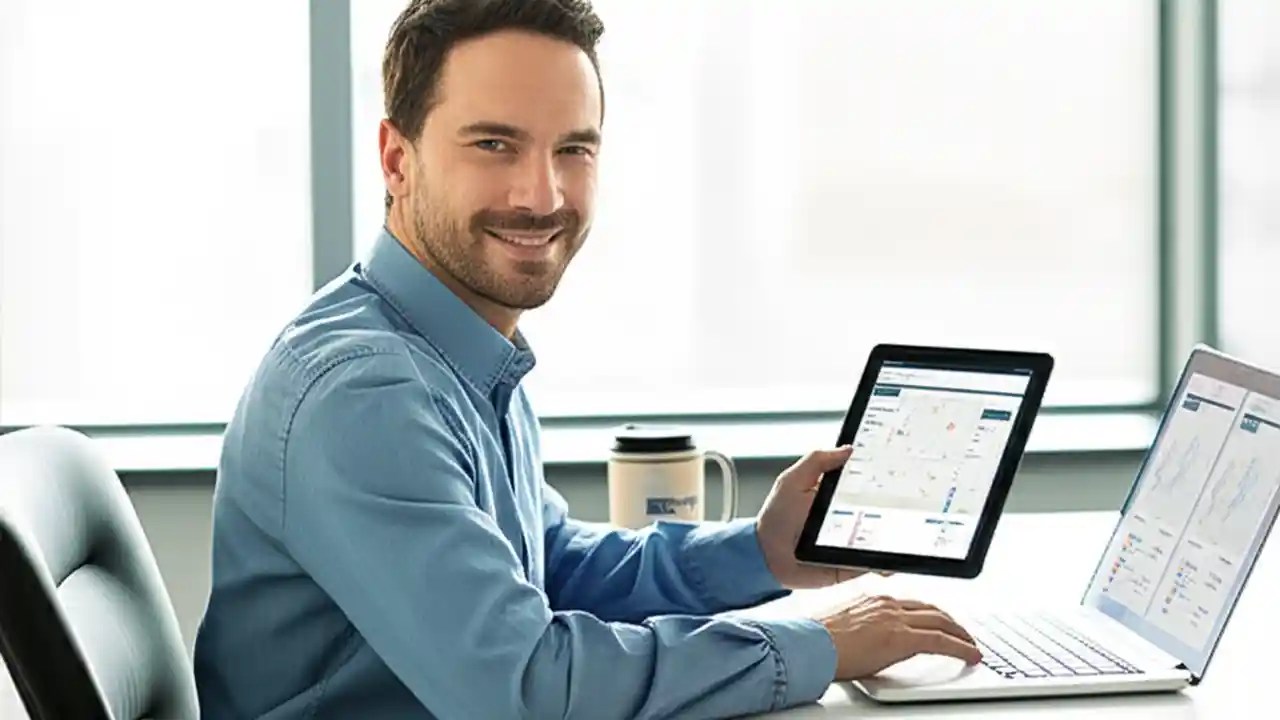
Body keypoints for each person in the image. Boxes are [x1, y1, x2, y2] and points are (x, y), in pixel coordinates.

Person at [192, 1, 982, 717]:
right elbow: (525, 685)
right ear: (397, 159)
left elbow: (552, 569)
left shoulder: (458, 349)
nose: (541, 195)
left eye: (573, 149)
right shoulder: (365, 391)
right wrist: (820, 646)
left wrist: (762, 552)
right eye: (493, 144)